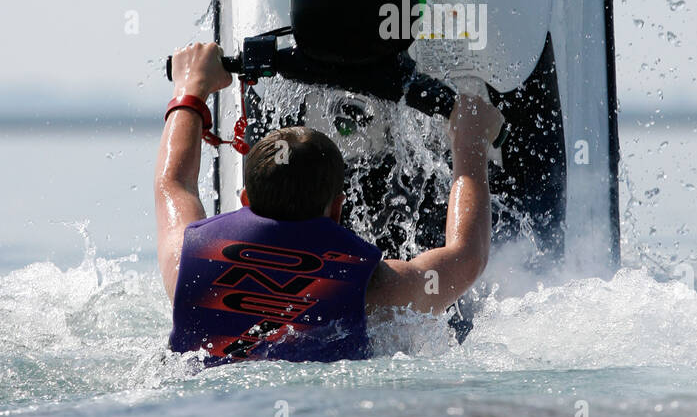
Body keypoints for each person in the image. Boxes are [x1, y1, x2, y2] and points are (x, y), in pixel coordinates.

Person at [154, 42, 503, 363]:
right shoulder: (373, 286)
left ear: (245, 198)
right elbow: (467, 256)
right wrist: (469, 141)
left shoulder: (186, 262)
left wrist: (190, 86)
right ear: (337, 208)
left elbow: (174, 183)